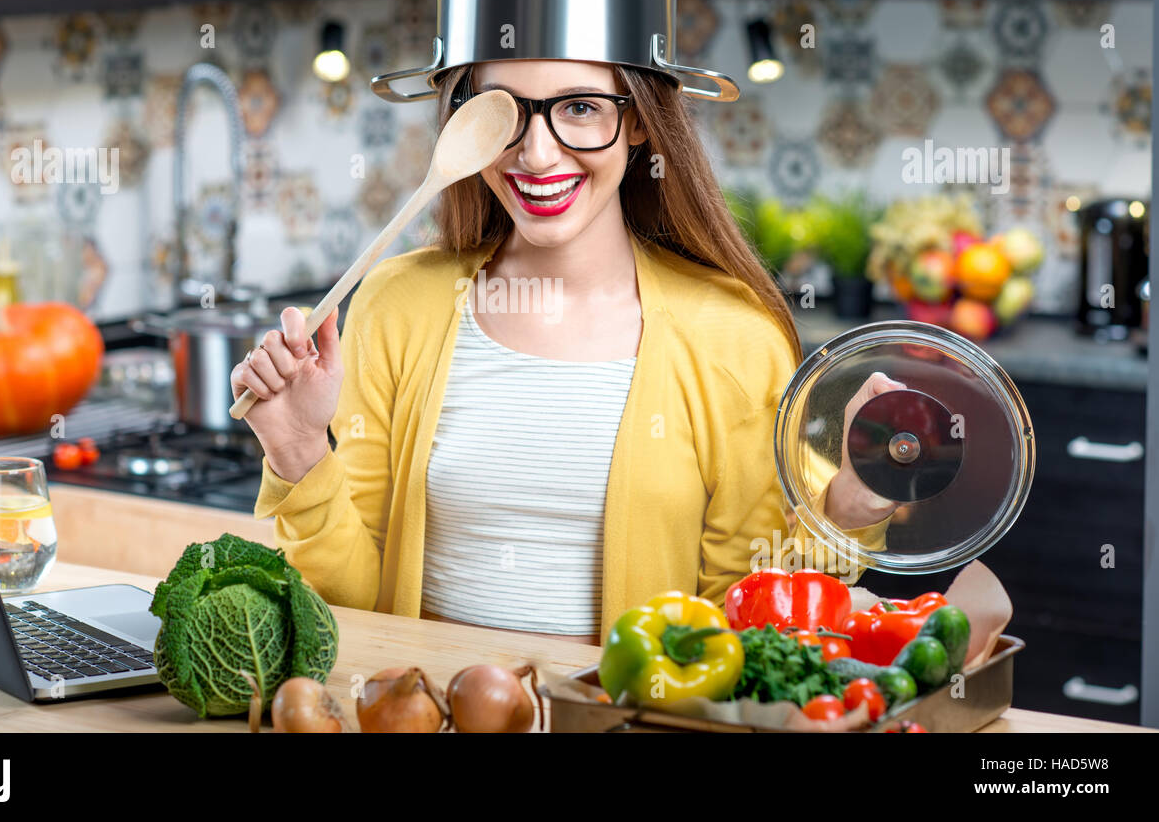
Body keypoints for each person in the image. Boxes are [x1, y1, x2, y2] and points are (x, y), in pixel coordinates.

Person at [231, 56, 900, 646]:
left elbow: (746, 620)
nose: (538, 154)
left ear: (639, 119)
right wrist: (299, 454)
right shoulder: (396, 303)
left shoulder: (733, 333)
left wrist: (846, 512)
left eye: (580, 107)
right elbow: (356, 608)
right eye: (506, 114)